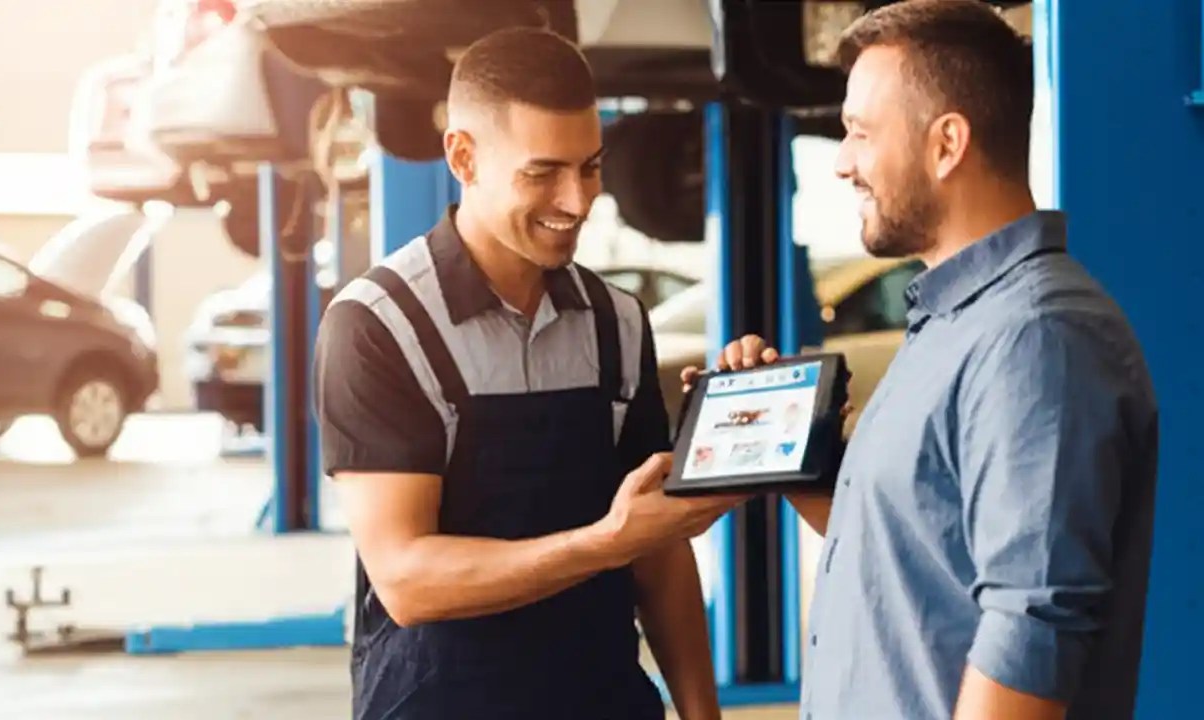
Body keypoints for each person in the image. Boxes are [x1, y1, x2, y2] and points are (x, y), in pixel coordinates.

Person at [687, 2, 1159, 719]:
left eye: (860, 133)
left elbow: (1030, 626)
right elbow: (917, 548)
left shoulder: (1037, 336)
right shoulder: (951, 321)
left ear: (947, 144)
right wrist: (775, 441)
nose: (842, 162)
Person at [312, 26, 744, 720]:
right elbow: (406, 579)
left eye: (591, 166)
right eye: (542, 172)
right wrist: (604, 543)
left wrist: (703, 714)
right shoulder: (379, 325)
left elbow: (656, 556)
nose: (576, 201)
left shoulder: (617, 322)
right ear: (463, 157)